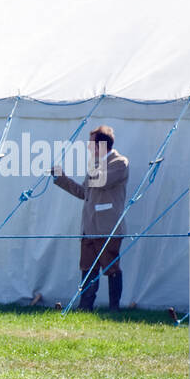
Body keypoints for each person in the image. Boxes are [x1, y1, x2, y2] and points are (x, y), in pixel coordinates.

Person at [52, 125, 129, 310]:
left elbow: (102, 182)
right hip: (88, 228)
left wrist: (95, 163)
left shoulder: (119, 162)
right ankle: (85, 308)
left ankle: (114, 309)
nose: (88, 147)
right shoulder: (95, 165)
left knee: (111, 269)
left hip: (107, 228)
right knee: (87, 270)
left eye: (91, 143)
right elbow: (83, 192)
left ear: (101, 146)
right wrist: (61, 178)